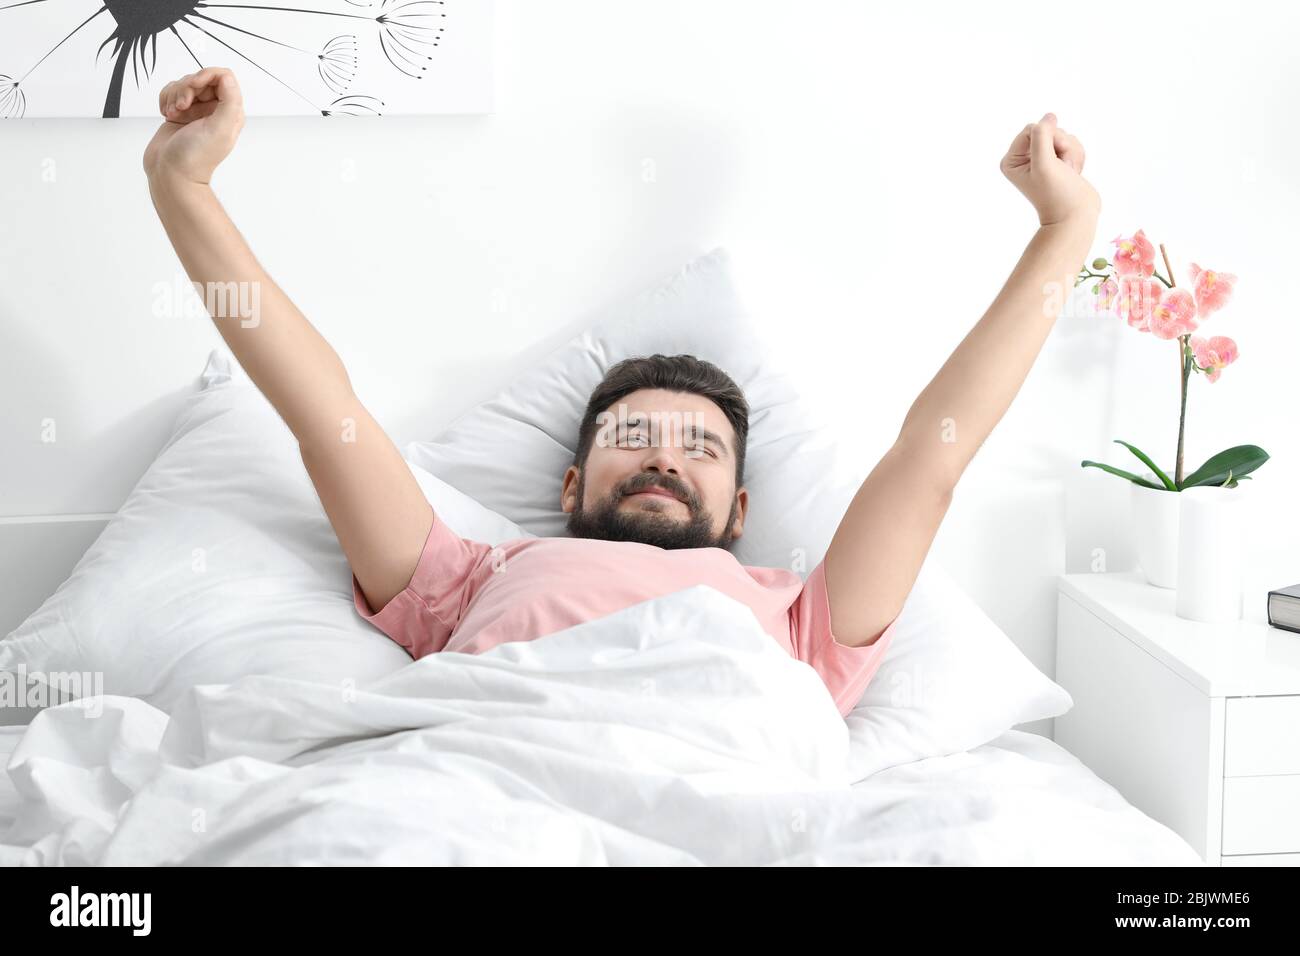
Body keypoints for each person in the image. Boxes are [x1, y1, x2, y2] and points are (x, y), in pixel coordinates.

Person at [143, 67, 1100, 717]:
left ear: (741, 512)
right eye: (636, 435)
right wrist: (185, 187)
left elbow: (933, 455)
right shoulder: (470, 578)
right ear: (570, 488)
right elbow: (327, 417)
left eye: (702, 451)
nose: (664, 457)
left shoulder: (804, 624)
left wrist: (1065, 230)